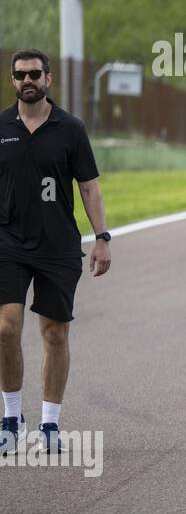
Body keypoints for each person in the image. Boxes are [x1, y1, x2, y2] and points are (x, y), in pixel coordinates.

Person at [0, 50, 112, 457]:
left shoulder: (70, 128)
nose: (27, 80)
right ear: (13, 80)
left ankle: (49, 423)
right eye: (19, 75)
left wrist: (102, 237)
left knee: (54, 332)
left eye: (34, 74)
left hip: (58, 246)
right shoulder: (1, 127)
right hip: (8, 242)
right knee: (5, 327)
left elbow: (89, 186)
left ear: (48, 78)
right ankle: (10, 417)